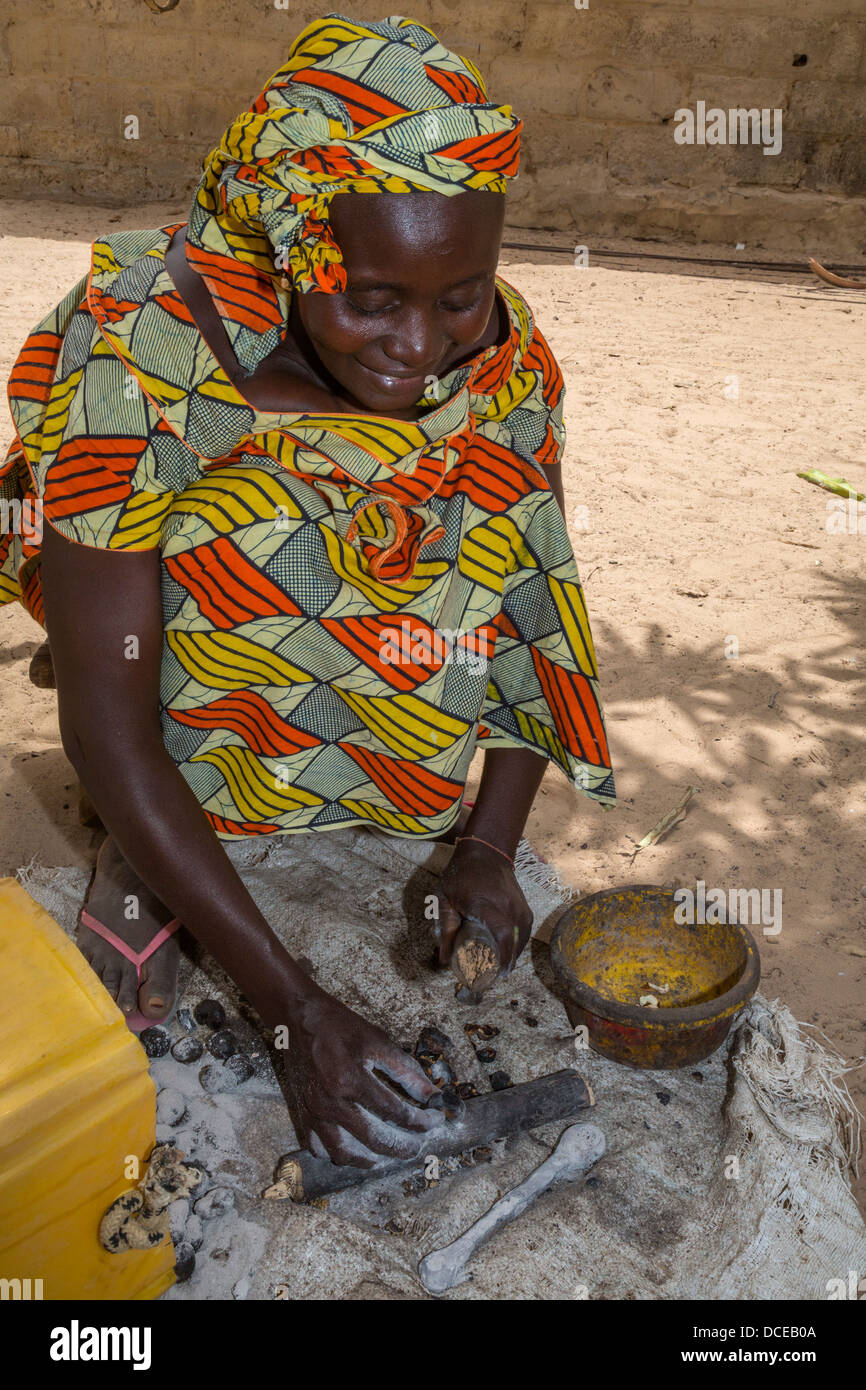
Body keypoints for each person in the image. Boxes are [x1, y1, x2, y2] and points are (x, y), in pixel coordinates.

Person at [0, 13, 614, 1167]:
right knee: (230, 563)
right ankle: (154, 841)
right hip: (179, 691)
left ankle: (367, 796)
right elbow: (101, 718)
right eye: (371, 299)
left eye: (458, 295)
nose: (417, 349)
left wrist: (488, 844)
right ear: (290, 243)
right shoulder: (134, 359)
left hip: (388, 701)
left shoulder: (503, 361)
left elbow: (535, 604)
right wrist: (292, 1012)